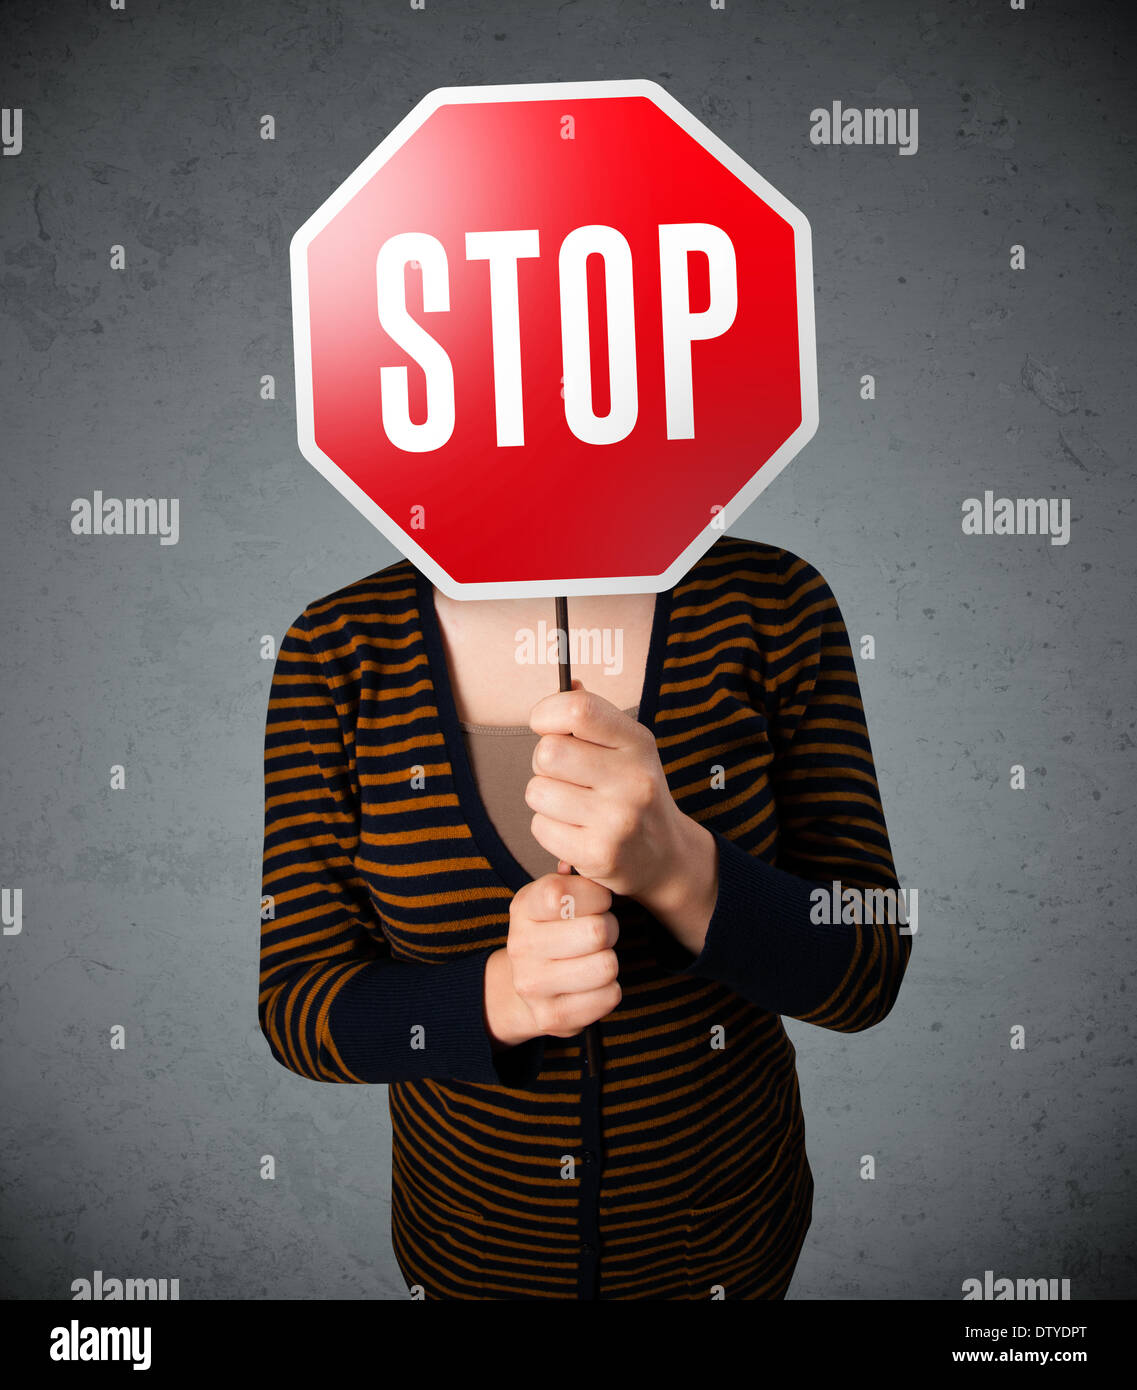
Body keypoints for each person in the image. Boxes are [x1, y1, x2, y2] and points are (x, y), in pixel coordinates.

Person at [258, 533, 912, 1299]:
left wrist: (680, 873)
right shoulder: (338, 647)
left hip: (727, 1248)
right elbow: (296, 1007)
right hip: (468, 1256)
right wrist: (501, 999)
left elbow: (867, 970)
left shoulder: (769, 602)